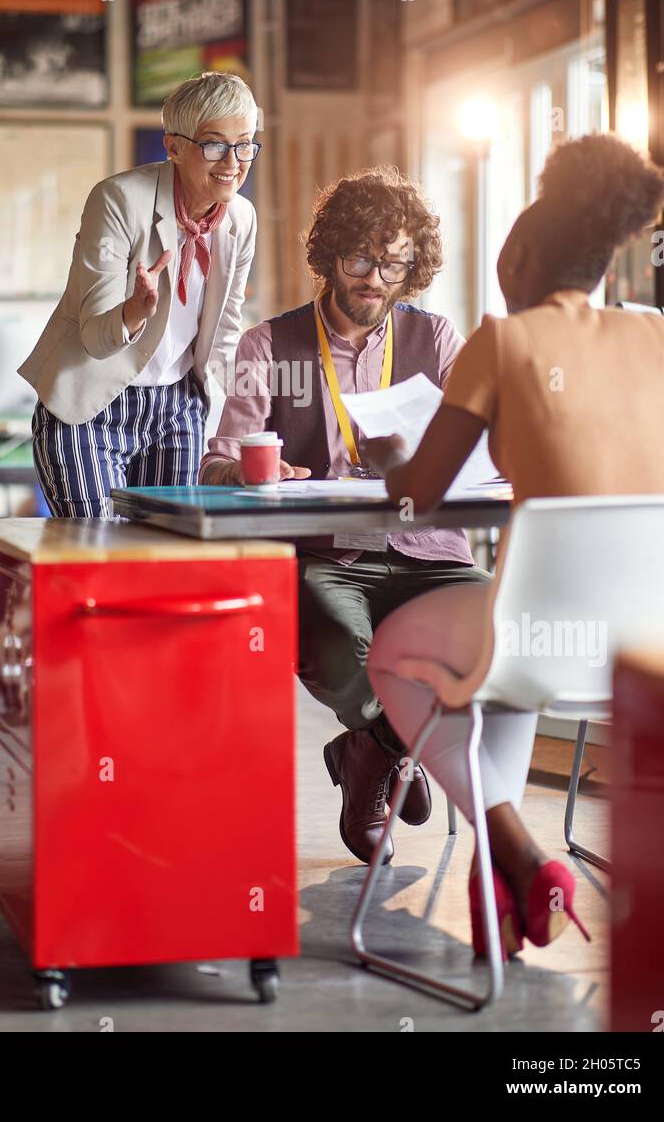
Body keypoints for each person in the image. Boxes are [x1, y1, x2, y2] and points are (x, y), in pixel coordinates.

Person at [362, 134, 664, 957]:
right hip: (645, 646)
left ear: (522, 257)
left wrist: (388, 455)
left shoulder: (503, 344)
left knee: (395, 653)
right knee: (496, 678)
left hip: (536, 635)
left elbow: (414, 501)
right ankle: (500, 903)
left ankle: (518, 848)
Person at [199, 166, 491, 863]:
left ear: (411, 267)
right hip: (332, 556)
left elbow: (479, 451)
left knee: (497, 630)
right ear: (331, 254)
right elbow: (214, 466)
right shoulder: (269, 345)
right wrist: (244, 470)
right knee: (334, 642)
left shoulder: (438, 339)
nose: (374, 277)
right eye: (361, 257)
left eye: (393, 263)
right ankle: (392, 748)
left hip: (432, 552)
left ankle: (372, 754)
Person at [20, 72, 260, 515]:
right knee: (100, 552)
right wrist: (134, 312)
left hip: (178, 406)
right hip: (92, 402)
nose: (233, 162)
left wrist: (220, 427)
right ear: (173, 147)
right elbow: (94, 337)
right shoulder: (118, 200)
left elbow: (225, 331)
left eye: (245, 144)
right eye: (214, 144)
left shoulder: (241, 219)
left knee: (169, 557)